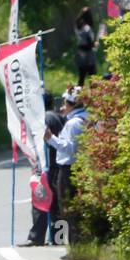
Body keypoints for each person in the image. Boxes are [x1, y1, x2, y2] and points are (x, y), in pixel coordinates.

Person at [46, 85, 87, 243]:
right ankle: (76, 241)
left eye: (64, 102)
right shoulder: (87, 117)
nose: (63, 106)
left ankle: (73, 243)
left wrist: (51, 138)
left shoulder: (73, 123)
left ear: (70, 103)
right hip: (81, 166)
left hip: (68, 169)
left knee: (67, 207)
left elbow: (70, 148)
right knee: (76, 206)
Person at [25, 91, 64, 246]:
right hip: (59, 166)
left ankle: (36, 237)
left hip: (48, 166)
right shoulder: (58, 116)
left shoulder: (45, 119)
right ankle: (59, 238)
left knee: (40, 201)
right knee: (57, 205)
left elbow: (42, 142)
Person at [75, 6, 97, 86]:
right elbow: (89, 41)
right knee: (92, 75)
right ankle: (94, 92)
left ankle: (80, 92)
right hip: (88, 54)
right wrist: (94, 44)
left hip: (80, 53)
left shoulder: (78, 26)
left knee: (81, 76)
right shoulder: (87, 28)